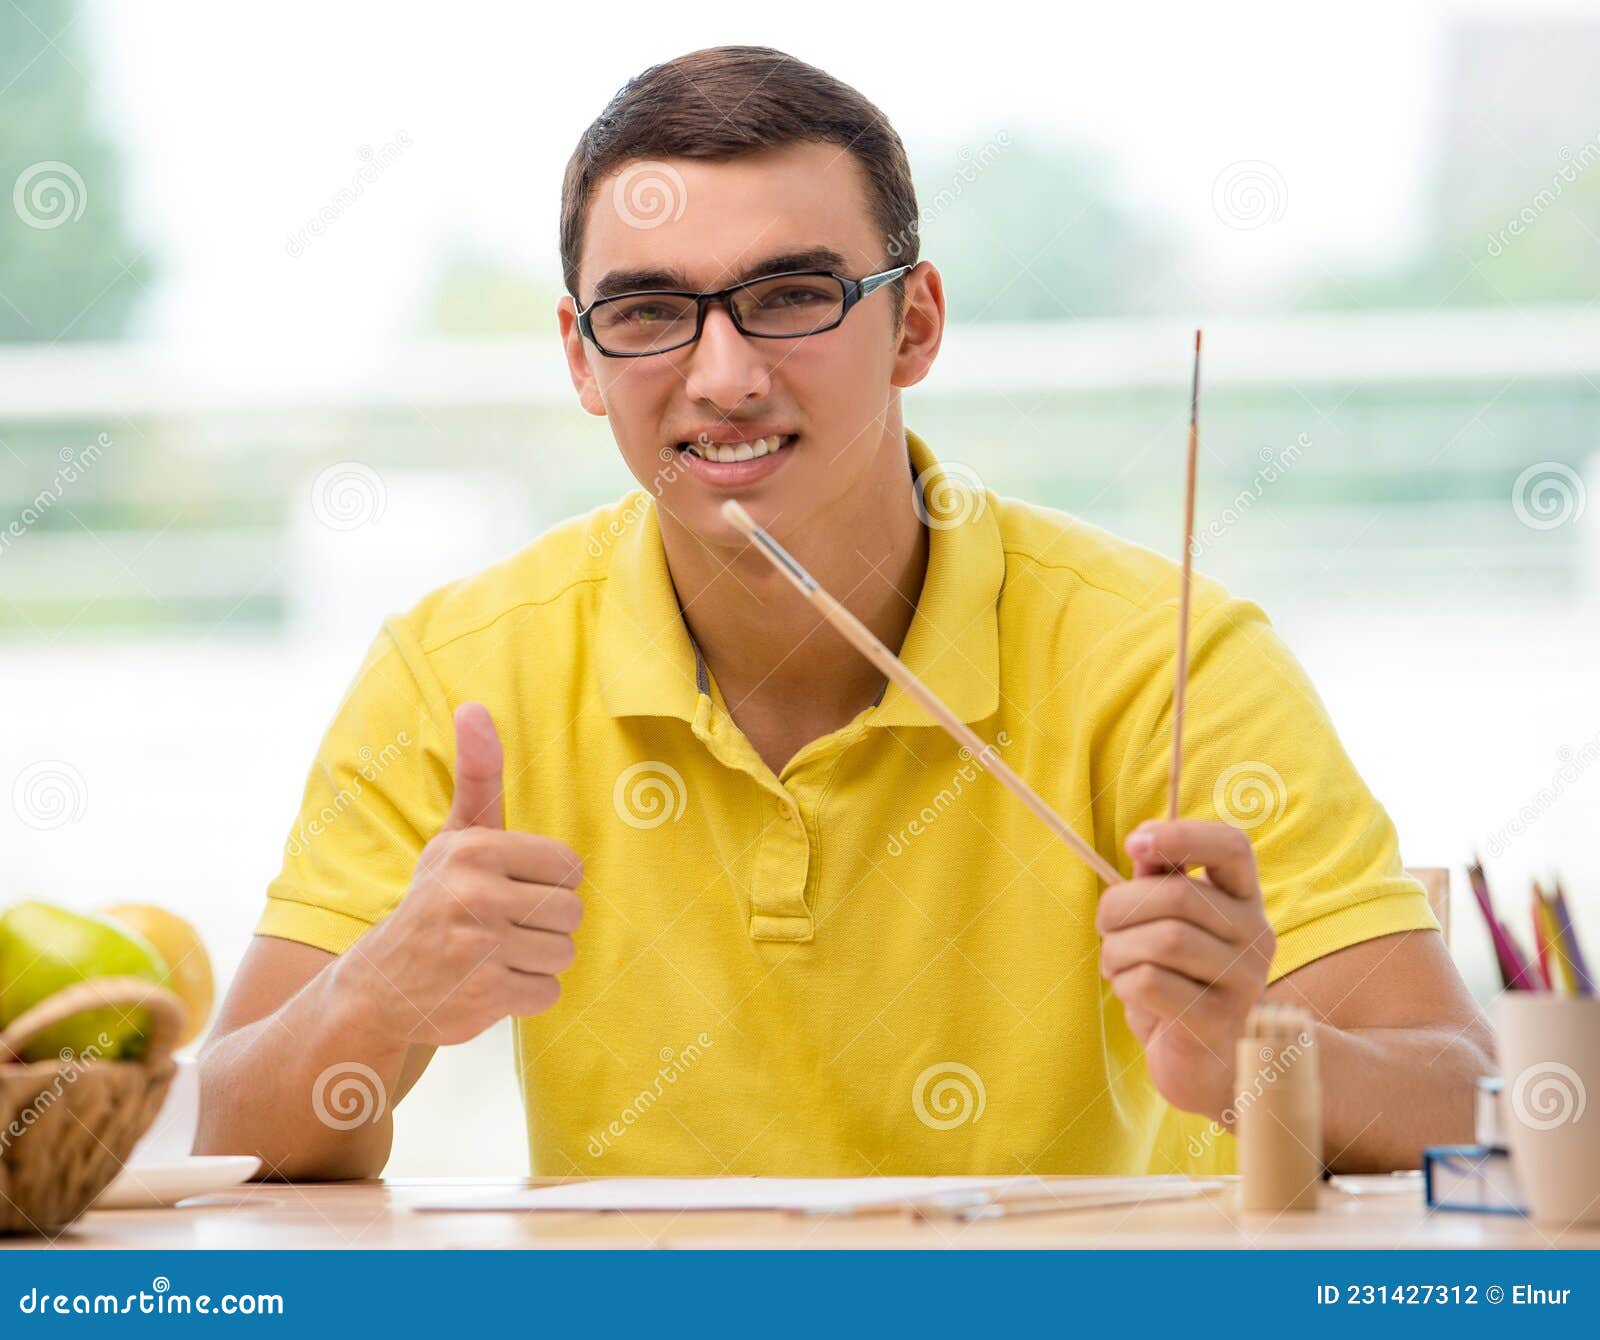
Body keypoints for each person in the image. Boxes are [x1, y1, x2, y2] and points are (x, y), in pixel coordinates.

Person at [197, 45, 1492, 1181]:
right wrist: (381, 996)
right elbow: (230, 1128)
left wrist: (1259, 1058)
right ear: (583, 359)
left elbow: (1470, 1100)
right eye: (649, 313)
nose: (724, 376)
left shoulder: (1165, 657)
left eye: (792, 297)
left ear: (914, 323)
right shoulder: (458, 668)